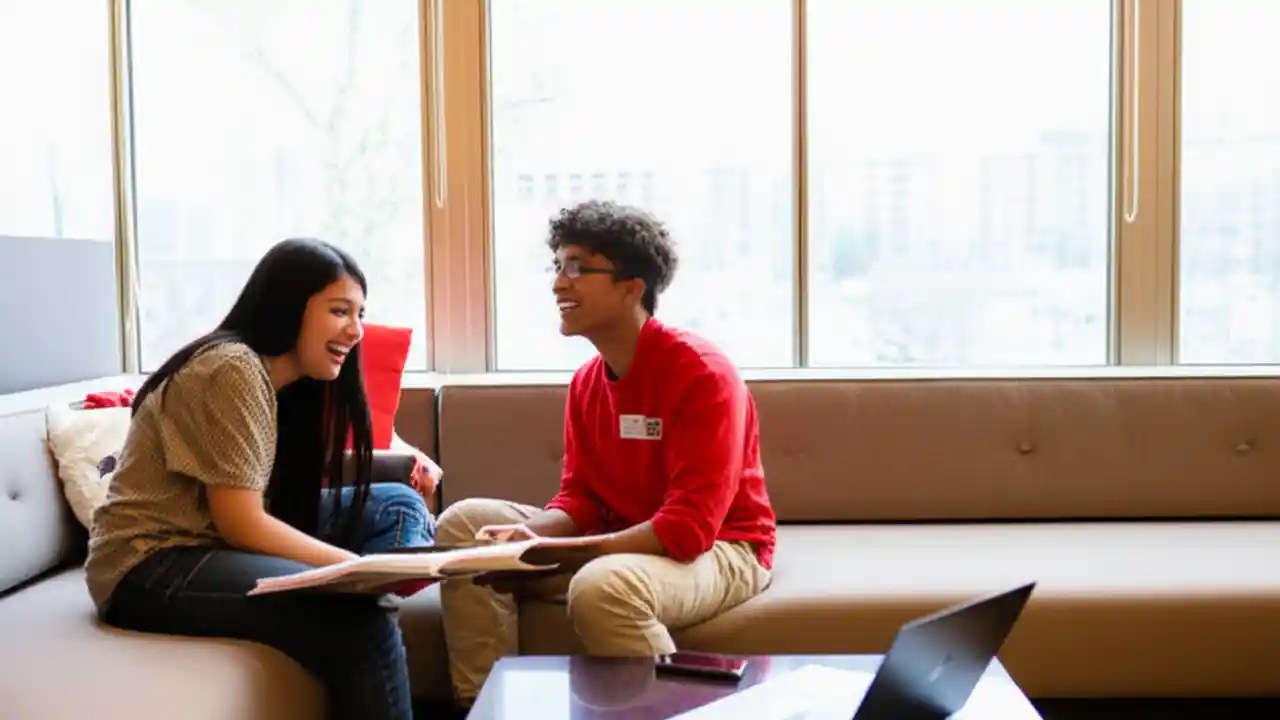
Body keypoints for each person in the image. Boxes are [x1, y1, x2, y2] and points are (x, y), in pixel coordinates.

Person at [436, 200, 778, 705]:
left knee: (602, 587)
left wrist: (559, 553)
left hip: (725, 547)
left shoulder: (702, 373)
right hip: (624, 535)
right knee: (465, 526)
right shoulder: (587, 383)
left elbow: (687, 530)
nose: (558, 283)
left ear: (631, 286)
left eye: (577, 267)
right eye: (556, 266)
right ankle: (483, 707)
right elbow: (580, 500)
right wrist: (529, 536)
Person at [84, 238, 441, 720]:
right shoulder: (231, 369)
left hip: (212, 543)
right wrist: (356, 573)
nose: (357, 330)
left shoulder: (283, 382)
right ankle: (380, 590)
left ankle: (392, 583)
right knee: (362, 617)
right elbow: (241, 524)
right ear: (291, 305)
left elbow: (261, 509)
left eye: (360, 314)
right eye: (340, 311)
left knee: (396, 502)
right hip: (150, 564)